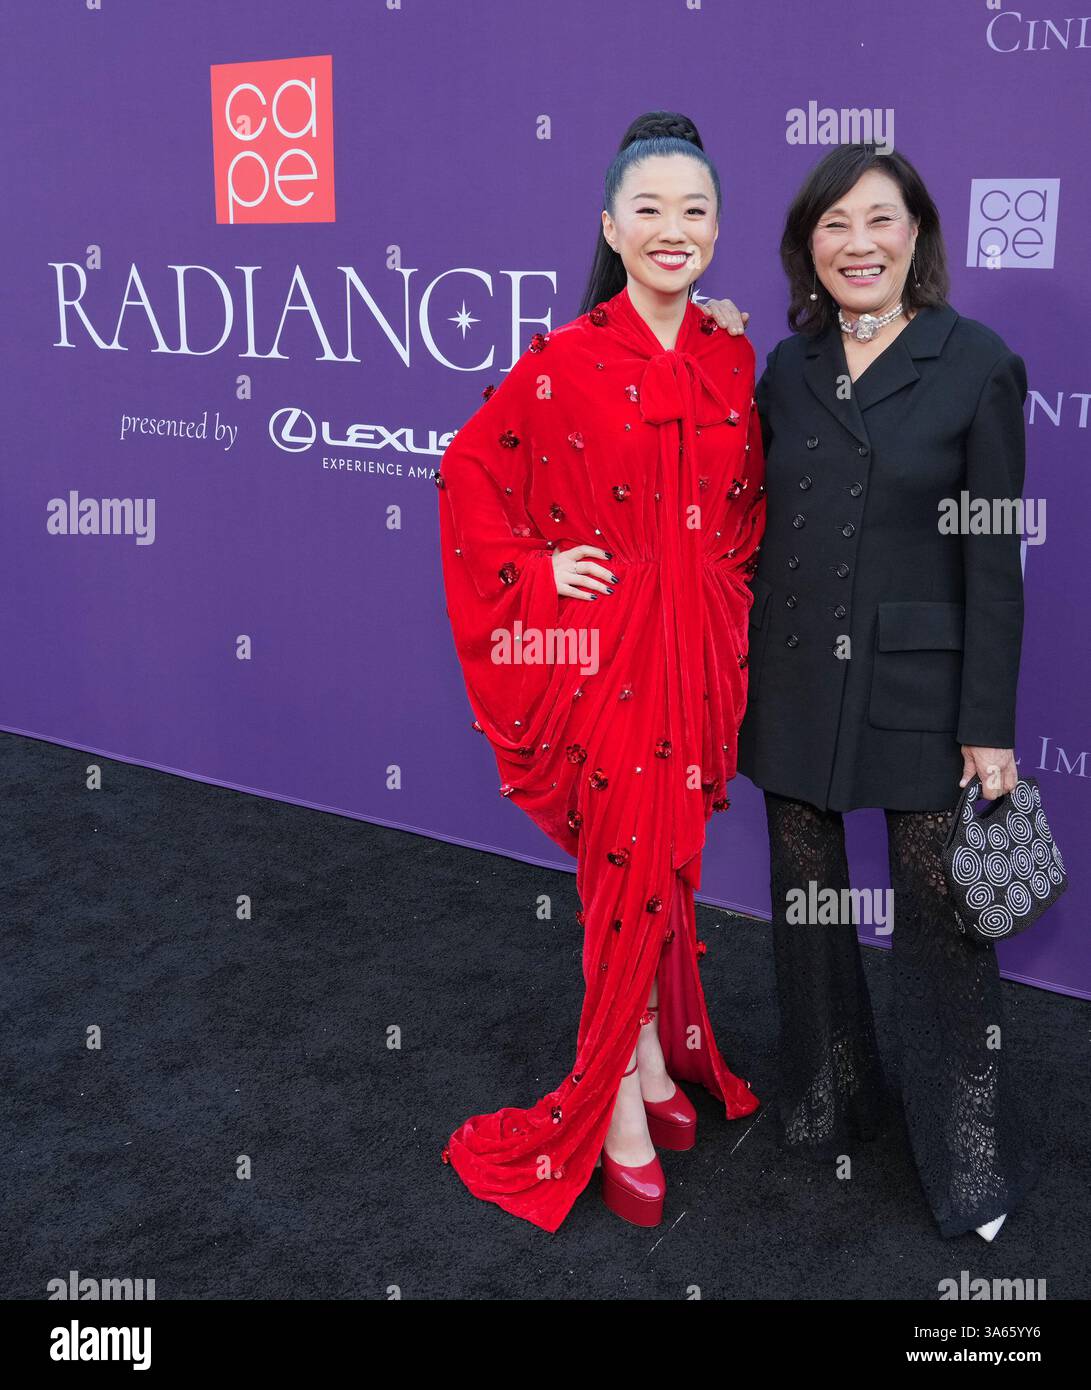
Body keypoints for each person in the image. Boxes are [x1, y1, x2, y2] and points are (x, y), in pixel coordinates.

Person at [698, 143, 1040, 1241]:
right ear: (807, 244)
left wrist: (987, 721)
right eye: (833, 223)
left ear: (915, 237)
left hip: (920, 687)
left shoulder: (974, 361)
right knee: (804, 906)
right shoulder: (785, 366)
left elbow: (992, 555)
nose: (857, 242)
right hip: (791, 674)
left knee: (941, 929)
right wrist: (700, 354)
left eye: (878, 221)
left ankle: (966, 1158)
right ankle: (826, 1095)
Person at [436, 112, 764, 1232]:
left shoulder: (729, 349)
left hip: (696, 659)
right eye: (649, 210)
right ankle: (616, 1096)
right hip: (607, 661)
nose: (672, 230)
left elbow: (745, 502)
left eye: (694, 211)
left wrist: (718, 592)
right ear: (611, 227)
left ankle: (662, 1070)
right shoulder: (565, 360)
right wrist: (538, 568)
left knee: (666, 871)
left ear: (716, 228)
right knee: (621, 879)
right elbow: (467, 474)